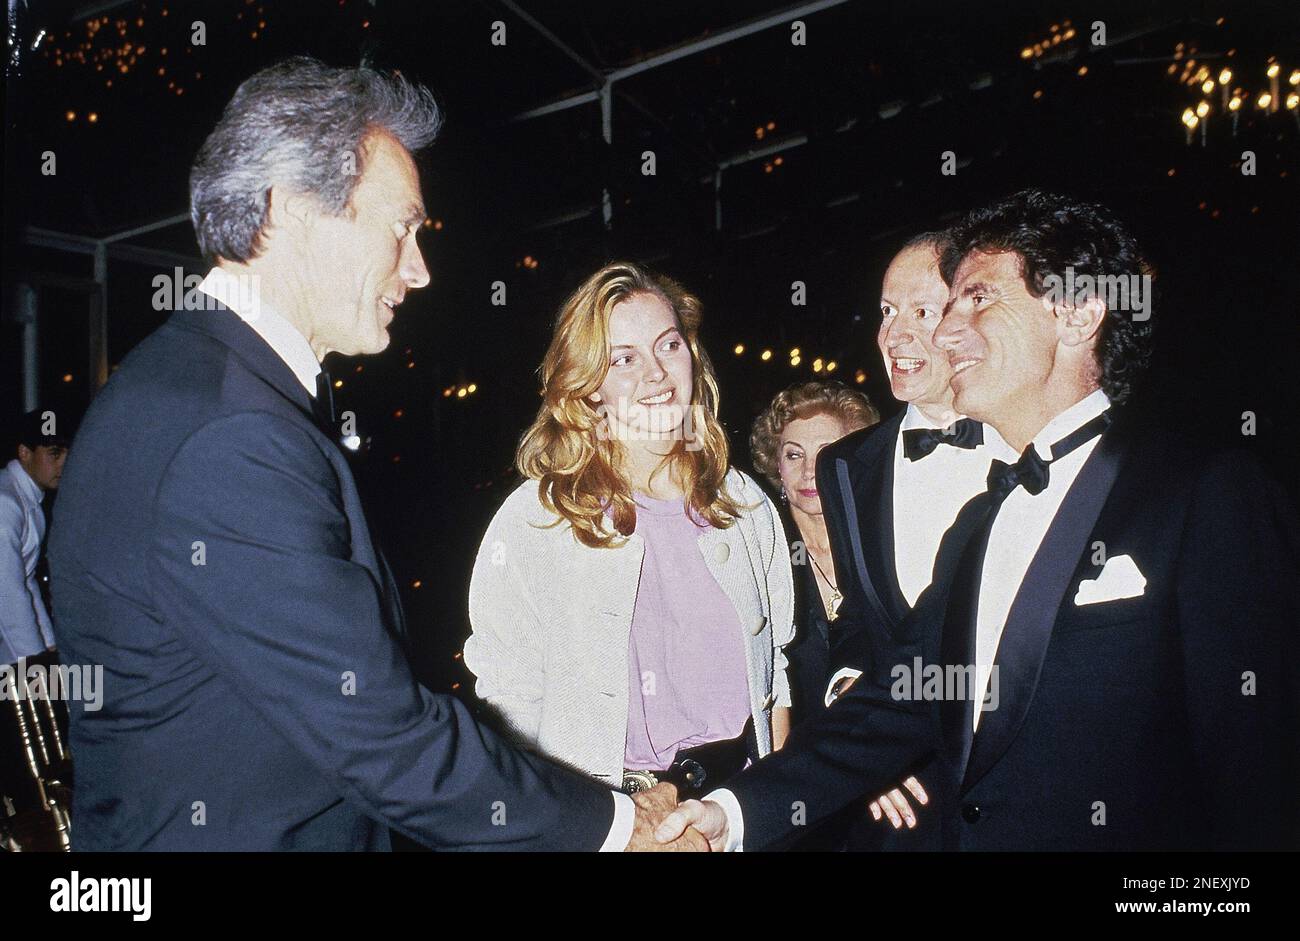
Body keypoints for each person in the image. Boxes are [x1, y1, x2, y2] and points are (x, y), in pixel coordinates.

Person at [47, 58, 697, 852]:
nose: (418, 270)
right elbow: (386, 741)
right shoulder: (231, 433)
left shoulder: (197, 385)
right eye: (402, 227)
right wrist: (620, 827)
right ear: (290, 210)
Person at [656, 189, 1299, 851]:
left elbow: (1265, 780)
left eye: (980, 298)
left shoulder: (1207, 495)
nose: (945, 331)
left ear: (1078, 314)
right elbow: (893, 703)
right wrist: (730, 813)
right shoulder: (978, 529)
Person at [465, 261, 795, 802]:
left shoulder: (743, 503)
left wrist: (771, 808)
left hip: (734, 808)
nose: (656, 375)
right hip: (611, 817)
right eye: (624, 359)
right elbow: (508, 702)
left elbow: (775, 672)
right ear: (588, 387)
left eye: (669, 346)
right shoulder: (538, 519)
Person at [813, 232, 1016, 848]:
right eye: (885, 312)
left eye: (921, 312)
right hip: (900, 811)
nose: (894, 335)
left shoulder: (1036, 446)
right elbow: (859, 617)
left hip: (1024, 795)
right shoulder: (845, 466)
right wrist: (850, 705)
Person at [748, 379, 878, 848]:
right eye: (793, 454)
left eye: (826, 451)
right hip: (793, 781)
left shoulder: (885, 542)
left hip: (885, 759)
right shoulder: (761, 551)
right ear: (775, 467)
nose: (809, 471)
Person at [1, 409, 67, 665]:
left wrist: (48, 646)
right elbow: (8, 594)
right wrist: (36, 664)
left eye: (67, 454)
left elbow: (26, 582)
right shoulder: (6, 504)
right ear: (24, 453)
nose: (63, 463)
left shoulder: (26, 501)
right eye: (54, 453)